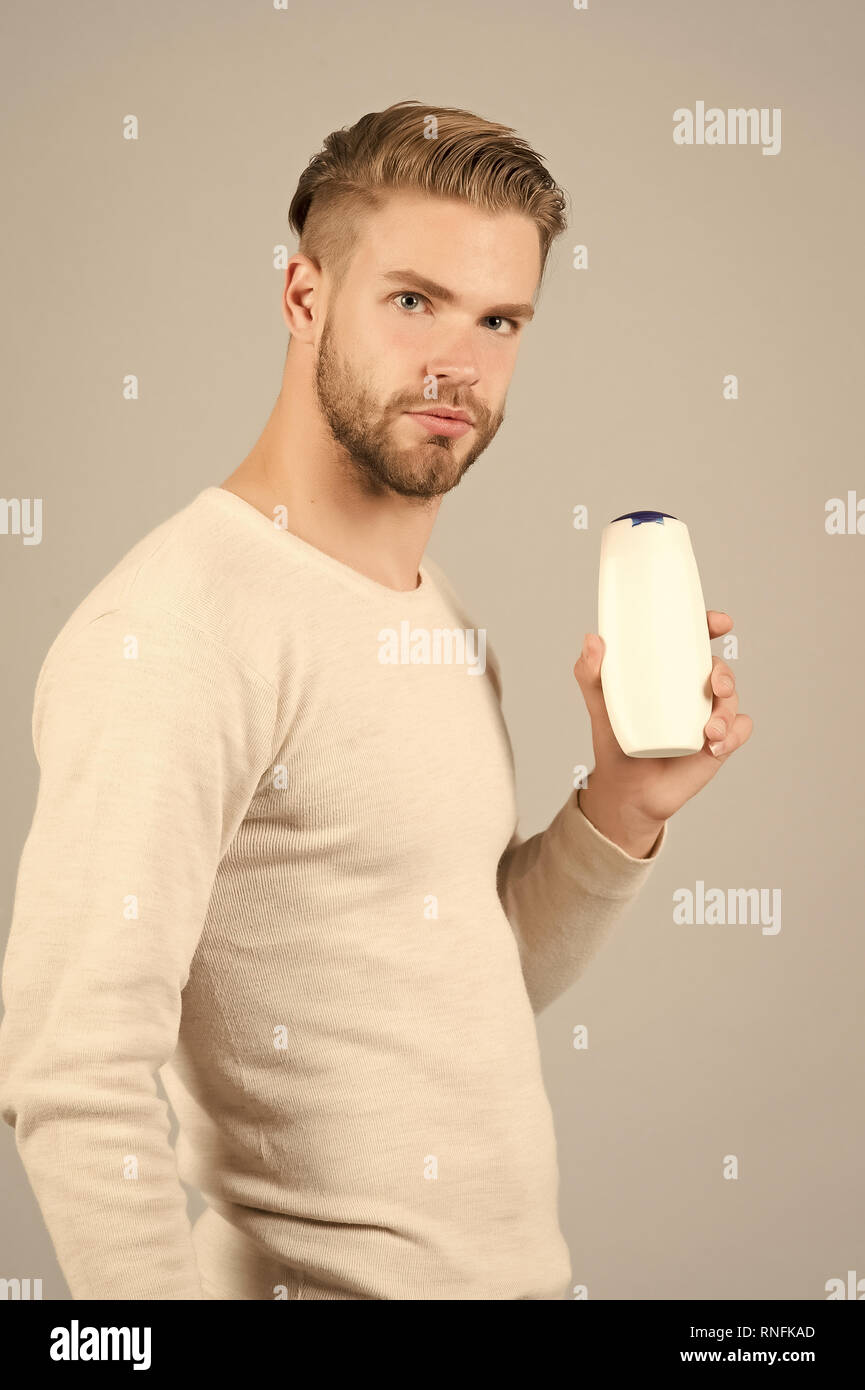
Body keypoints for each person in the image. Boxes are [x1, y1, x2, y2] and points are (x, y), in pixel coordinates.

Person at [0, 99, 750, 1301]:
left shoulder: (429, 608)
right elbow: (70, 1072)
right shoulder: (177, 627)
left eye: (499, 319)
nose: (459, 361)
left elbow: (458, 967)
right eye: (412, 301)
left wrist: (618, 805)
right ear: (305, 298)